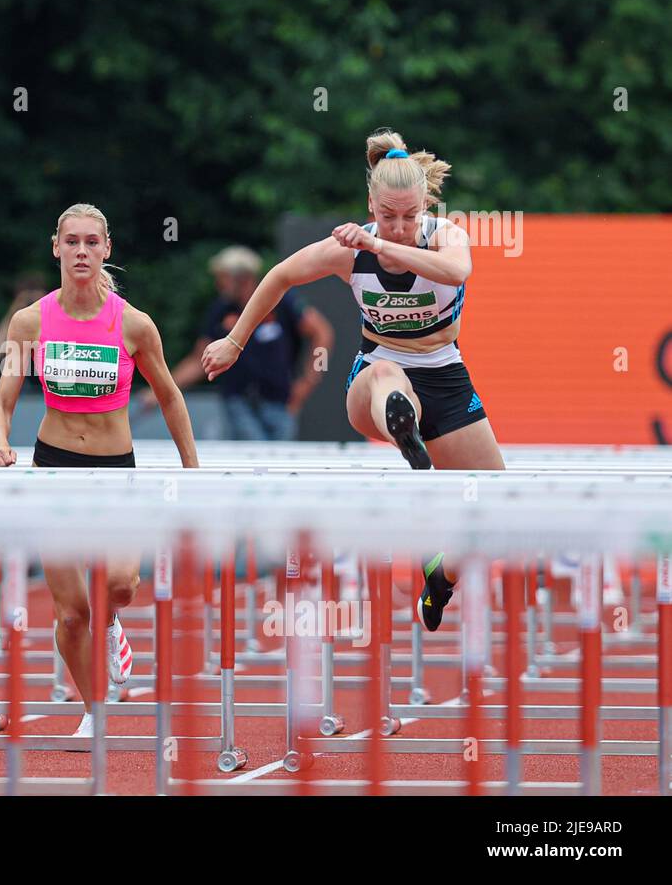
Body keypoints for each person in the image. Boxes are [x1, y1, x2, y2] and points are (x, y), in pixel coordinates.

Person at [201, 129, 506, 632]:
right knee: (390, 376)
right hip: (377, 373)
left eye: (410, 216)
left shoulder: (445, 236)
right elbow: (279, 276)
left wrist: (382, 244)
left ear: (427, 205)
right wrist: (234, 340)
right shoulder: (348, 249)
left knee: (497, 513)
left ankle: (441, 575)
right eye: (388, 217)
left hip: (445, 375)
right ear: (371, 203)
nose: (400, 227)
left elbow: (457, 273)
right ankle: (402, 428)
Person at [0, 203, 199, 740]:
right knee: (70, 612)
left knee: (122, 584)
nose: (81, 252)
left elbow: (171, 398)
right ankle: (93, 708)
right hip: (53, 466)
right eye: (72, 242)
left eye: (91, 243)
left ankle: (113, 619)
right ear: (55, 247)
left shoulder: (133, 324)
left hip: (115, 470)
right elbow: (2, 401)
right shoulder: (31, 321)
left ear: (107, 249)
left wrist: (192, 472)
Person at [143, 246, 333, 440]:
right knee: (254, 454)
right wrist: (162, 389)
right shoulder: (221, 309)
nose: (218, 285)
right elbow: (199, 360)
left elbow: (322, 331)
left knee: (278, 459)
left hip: (280, 401)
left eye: (222, 279)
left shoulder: (283, 303)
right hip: (239, 401)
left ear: (243, 278)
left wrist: (309, 380)